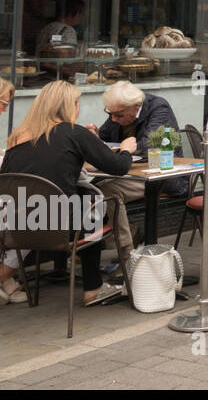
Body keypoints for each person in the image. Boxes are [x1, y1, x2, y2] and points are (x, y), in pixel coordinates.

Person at [0, 81, 135, 306]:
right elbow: (118, 167)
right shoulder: (74, 133)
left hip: (17, 225)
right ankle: (93, 289)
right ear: (70, 105)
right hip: (59, 227)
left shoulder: (17, 136)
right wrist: (126, 150)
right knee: (93, 208)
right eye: (77, 103)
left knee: (78, 204)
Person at [86, 81, 181, 264]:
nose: (113, 119)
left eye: (118, 115)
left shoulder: (158, 107)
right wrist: (95, 138)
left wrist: (126, 150)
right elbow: (105, 138)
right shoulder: (119, 111)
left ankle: (128, 257)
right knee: (86, 190)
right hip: (129, 172)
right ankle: (89, 250)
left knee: (109, 192)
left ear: (136, 106)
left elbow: (151, 144)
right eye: (110, 114)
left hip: (160, 173)